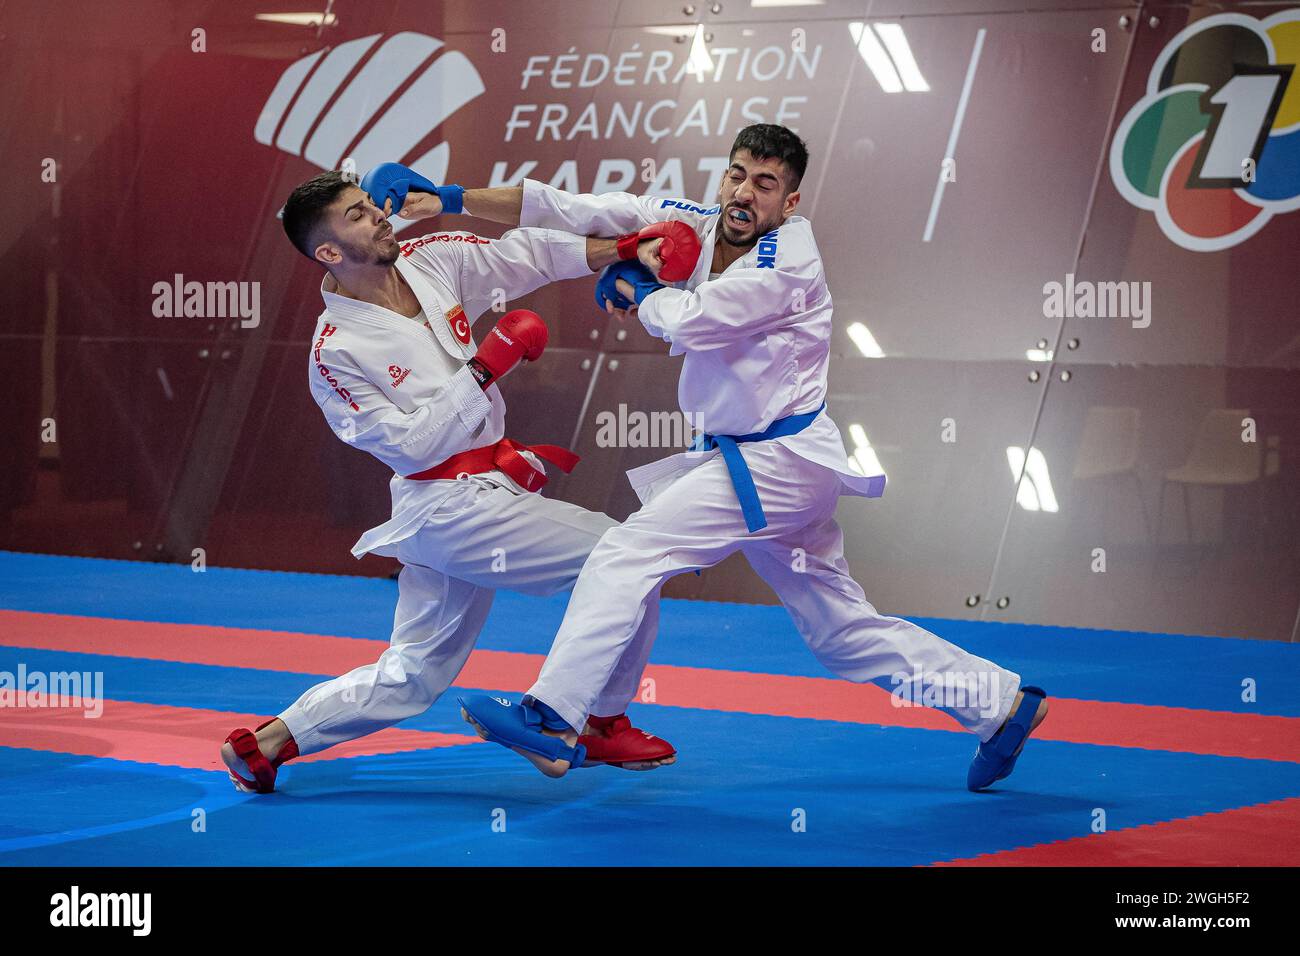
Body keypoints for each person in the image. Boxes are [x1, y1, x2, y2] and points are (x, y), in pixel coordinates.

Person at [449, 125, 1049, 791]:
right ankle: (999, 704)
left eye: (765, 184)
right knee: (839, 632)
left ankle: (555, 720)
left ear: (788, 203)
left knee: (625, 552)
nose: (744, 192)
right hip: (769, 467)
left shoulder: (789, 261)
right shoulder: (700, 223)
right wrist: (449, 197)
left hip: (777, 463)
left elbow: (699, 317)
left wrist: (637, 291)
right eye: (738, 174)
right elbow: (578, 206)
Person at [219, 166, 696, 791]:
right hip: (444, 507)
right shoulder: (333, 353)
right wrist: (485, 367)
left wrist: (626, 249)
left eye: (371, 205)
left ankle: (265, 743)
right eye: (357, 216)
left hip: (486, 489)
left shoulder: (427, 258)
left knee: (414, 673)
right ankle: (596, 720)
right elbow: (411, 446)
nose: (379, 216)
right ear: (329, 252)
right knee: (630, 554)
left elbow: (522, 256)